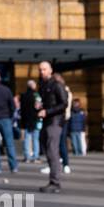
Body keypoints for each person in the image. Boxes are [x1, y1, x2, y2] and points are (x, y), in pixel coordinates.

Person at [37, 62, 68, 192]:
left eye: (44, 69)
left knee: (52, 151)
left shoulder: (56, 85)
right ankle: (53, 180)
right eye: (40, 70)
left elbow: (64, 104)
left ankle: (55, 182)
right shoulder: (43, 85)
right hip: (47, 121)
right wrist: (40, 107)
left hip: (55, 121)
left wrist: (47, 111)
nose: (41, 72)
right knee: (46, 148)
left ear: (50, 70)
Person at [20, 79, 42, 161]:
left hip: (26, 120)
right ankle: (36, 156)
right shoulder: (37, 95)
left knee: (27, 139)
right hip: (36, 120)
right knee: (35, 139)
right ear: (34, 86)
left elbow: (22, 110)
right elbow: (39, 107)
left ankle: (27, 156)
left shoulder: (23, 95)